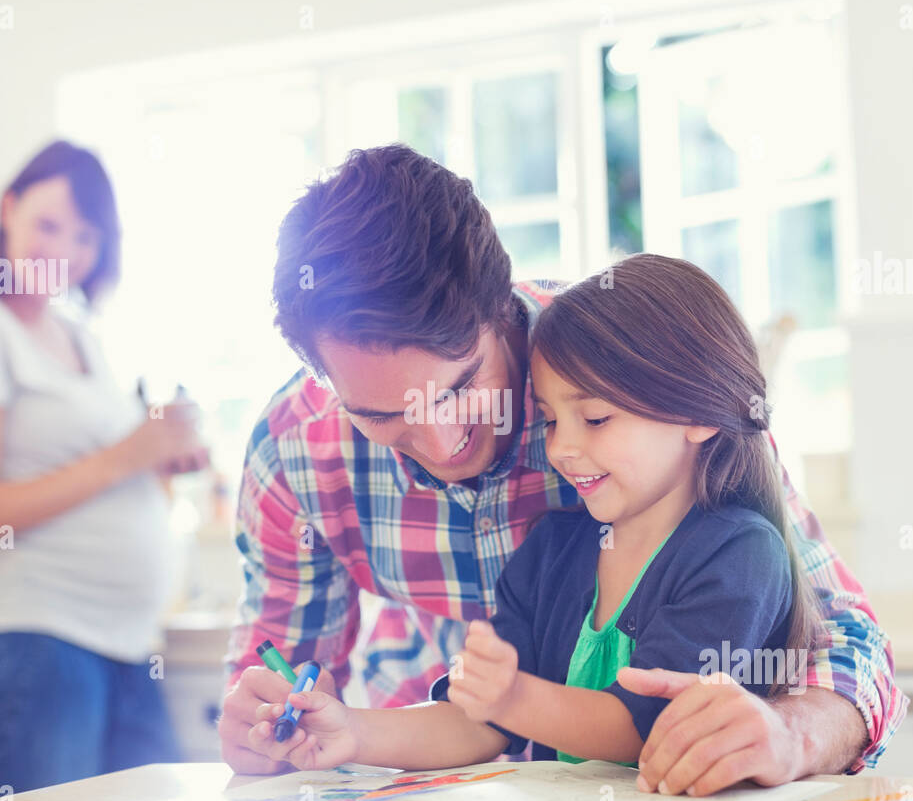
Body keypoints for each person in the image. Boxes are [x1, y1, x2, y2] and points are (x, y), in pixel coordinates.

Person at [218, 143, 908, 795]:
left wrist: (792, 734)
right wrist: (274, 727)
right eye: (381, 415)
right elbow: (289, 675)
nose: (441, 441)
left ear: (502, 310)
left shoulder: (626, 357)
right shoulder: (295, 450)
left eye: (461, 386)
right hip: (432, 776)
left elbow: (841, 636)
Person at [243, 253, 821, 772]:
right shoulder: (552, 550)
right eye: (548, 420)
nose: (561, 448)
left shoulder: (740, 554)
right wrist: (353, 731)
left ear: (699, 415)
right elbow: (476, 721)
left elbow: (644, 727)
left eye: (594, 419)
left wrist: (512, 696)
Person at [0, 140, 207, 801]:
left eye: (84, 236)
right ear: (8, 210)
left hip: (124, 645)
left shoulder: (79, 335)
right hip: (34, 643)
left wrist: (162, 455)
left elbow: (105, 472)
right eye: (48, 225)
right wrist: (126, 455)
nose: (64, 251)